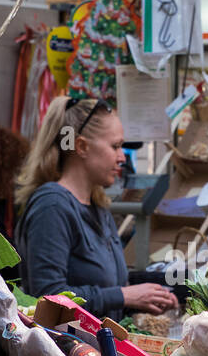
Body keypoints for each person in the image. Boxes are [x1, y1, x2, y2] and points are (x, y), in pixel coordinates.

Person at [14, 95, 178, 319]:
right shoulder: (52, 206)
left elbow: (108, 290)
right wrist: (124, 296)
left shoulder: (99, 207)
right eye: (116, 146)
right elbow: (48, 297)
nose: (122, 157)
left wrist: (149, 296)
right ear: (81, 146)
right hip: (68, 351)